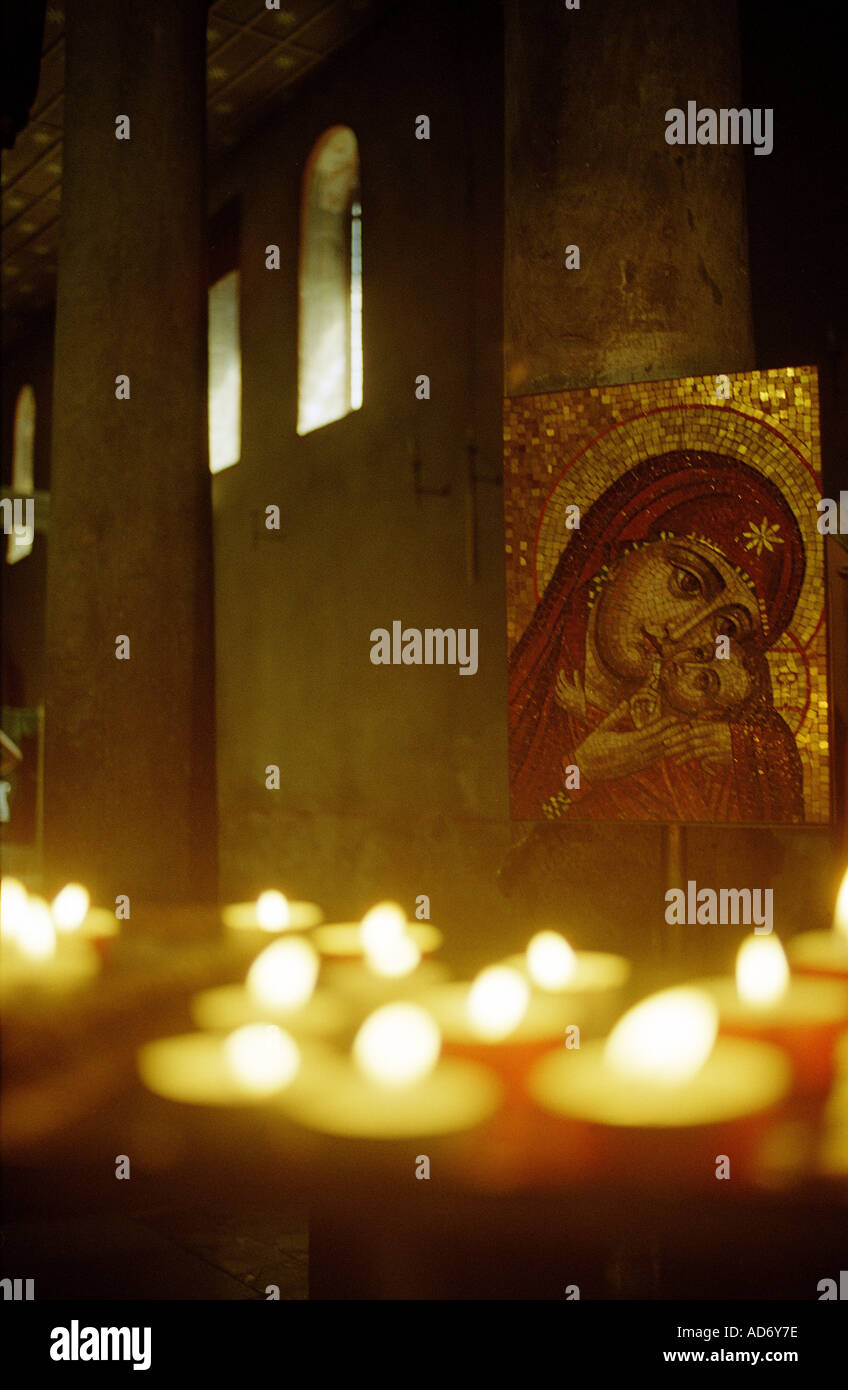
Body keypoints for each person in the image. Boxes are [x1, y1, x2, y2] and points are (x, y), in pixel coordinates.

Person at [509, 450, 806, 823]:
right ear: (622, 547)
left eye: (725, 629)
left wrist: (749, 750)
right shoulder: (523, 699)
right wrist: (581, 770)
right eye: (687, 582)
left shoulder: (701, 749)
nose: (683, 632)